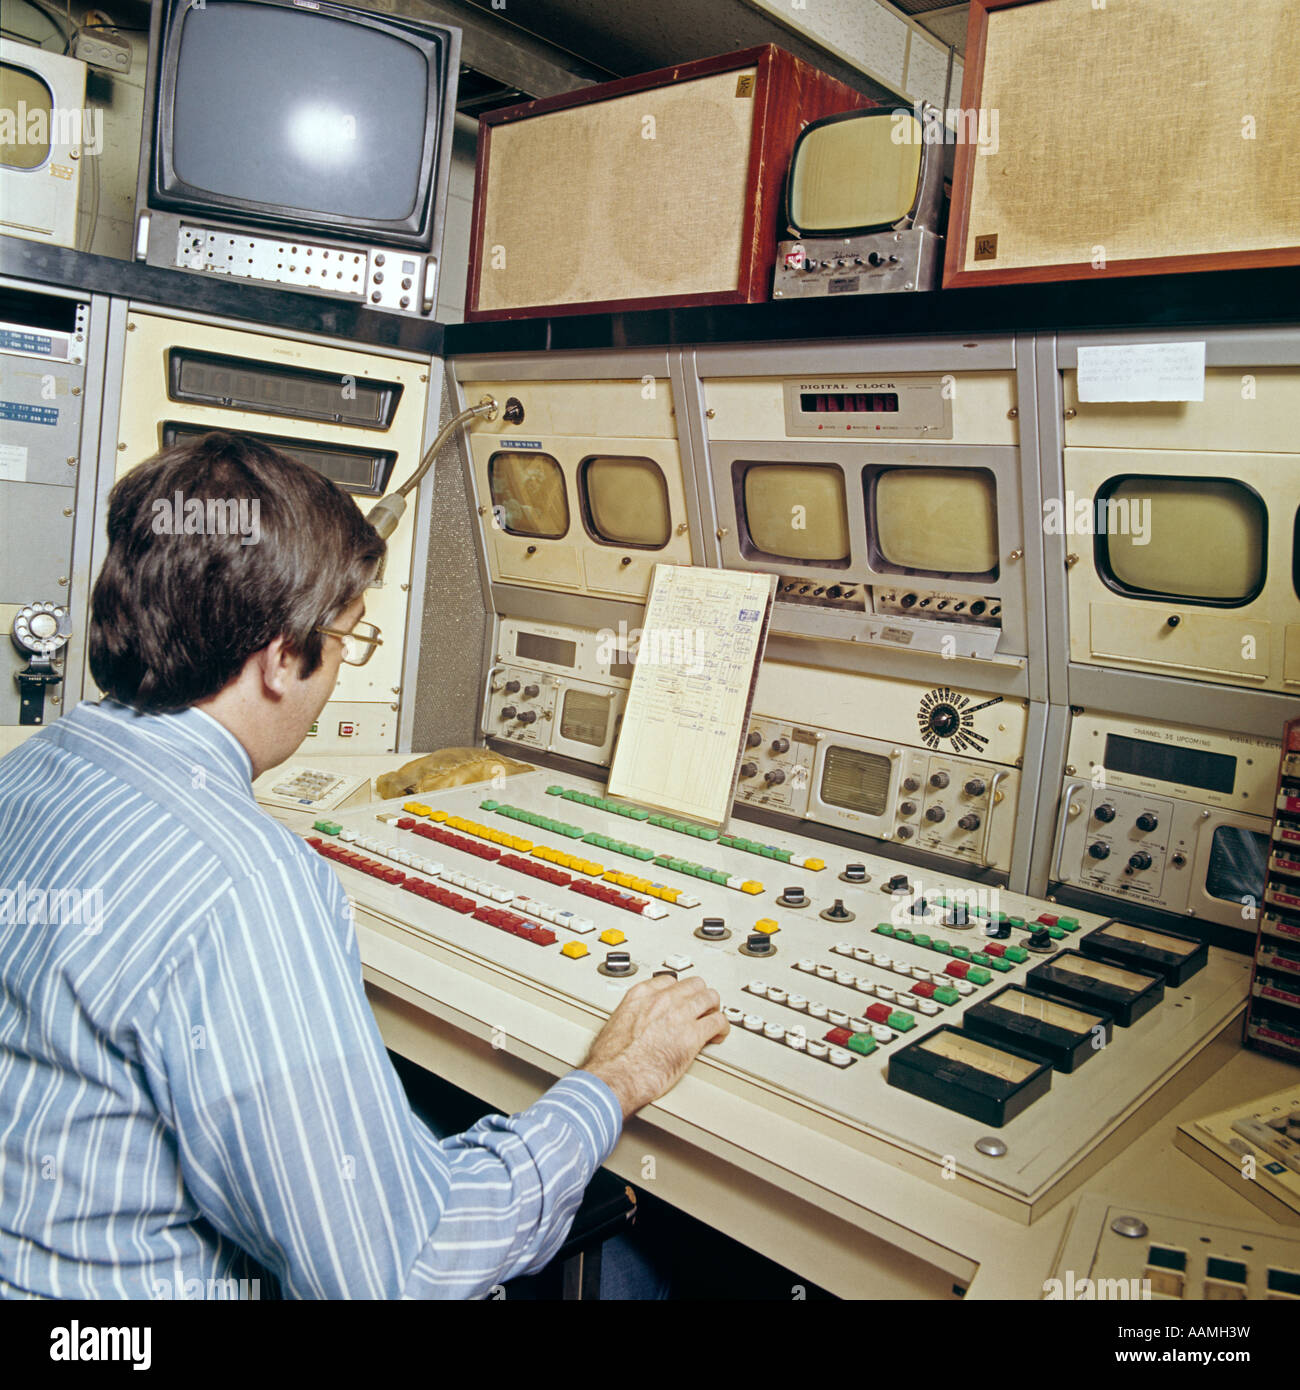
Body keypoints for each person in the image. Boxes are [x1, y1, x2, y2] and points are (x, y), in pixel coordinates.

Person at [0, 431, 728, 1300]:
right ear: (280, 658)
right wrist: (613, 1080)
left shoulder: (28, 773)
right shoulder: (246, 887)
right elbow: (394, 1272)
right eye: (349, 640)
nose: (342, 667)